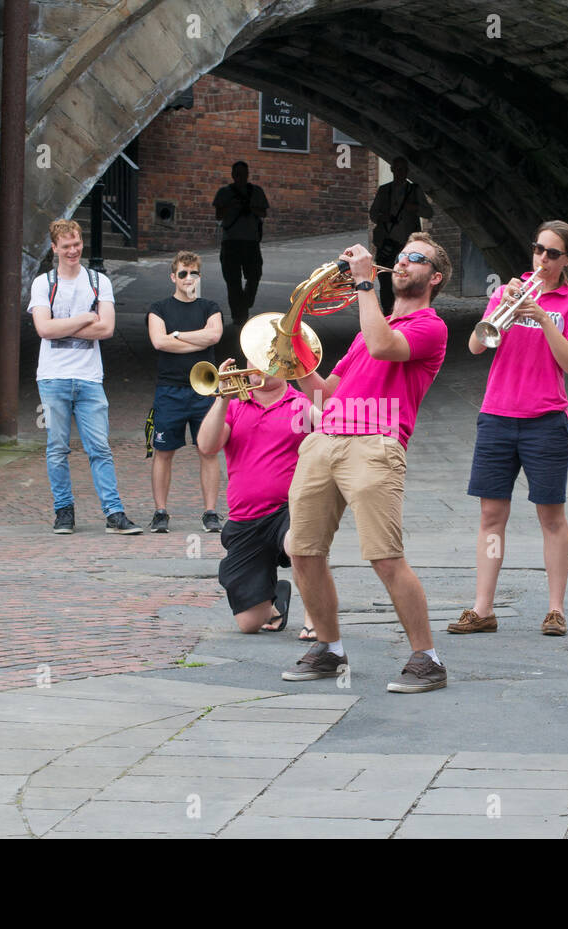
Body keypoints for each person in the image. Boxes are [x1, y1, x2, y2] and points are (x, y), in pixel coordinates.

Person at [281, 233, 450, 693]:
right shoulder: (366, 327)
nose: (402, 264)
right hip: (324, 440)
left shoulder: (429, 326)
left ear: (433, 278)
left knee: (385, 557)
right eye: (399, 258)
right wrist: (289, 356)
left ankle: (427, 658)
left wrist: (363, 285)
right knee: (301, 548)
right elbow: (326, 393)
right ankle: (329, 649)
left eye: (416, 259)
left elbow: (382, 347)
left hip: (375, 442)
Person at [449, 221, 568, 637]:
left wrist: (545, 318)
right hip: (497, 415)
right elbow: (477, 346)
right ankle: (483, 608)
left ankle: (555, 609)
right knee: (491, 515)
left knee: (551, 516)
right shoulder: (506, 292)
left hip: (545, 420)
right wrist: (500, 309)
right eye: (538, 249)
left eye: (552, 254)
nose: (542, 259)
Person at [29, 219, 141, 535]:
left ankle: (114, 512)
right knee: (57, 448)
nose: (73, 251)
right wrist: (82, 318)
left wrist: (62, 324)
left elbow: (106, 328)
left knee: (100, 448)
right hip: (52, 377)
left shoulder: (98, 281)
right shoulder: (43, 283)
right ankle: (64, 512)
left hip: (90, 377)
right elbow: (43, 329)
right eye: (66, 246)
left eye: (76, 244)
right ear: (55, 248)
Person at [196, 358, 312, 634]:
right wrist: (222, 396)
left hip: (288, 508)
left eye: (266, 360)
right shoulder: (234, 406)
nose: (256, 366)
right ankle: (274, 605)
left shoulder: (302, 404)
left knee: (301, 545)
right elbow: (207, 446)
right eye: (252, 359)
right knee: (249, 624)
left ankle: (315, 620)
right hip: (245, 517)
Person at [146, 251, 224, 534]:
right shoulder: (159, 308)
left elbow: (214, 336)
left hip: (204, 390)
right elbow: (158, 342)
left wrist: (177, 336)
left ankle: (211, 512)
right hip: (170, 390)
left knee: (208, 449)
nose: (188, 278)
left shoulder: (210, 306)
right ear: (173, 277)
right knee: (163, 451)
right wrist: (196, 340)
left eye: (193, 273)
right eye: (183, 273)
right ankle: (160, 511)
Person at [369, 157, 433, 312]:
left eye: (403, 170)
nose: (400, 173)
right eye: (397, 170)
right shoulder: (384, 190)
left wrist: (415, 208)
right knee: (385, 278)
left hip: (407, 245)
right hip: (387, 242)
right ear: (392, 170)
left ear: (407, 172)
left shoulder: (414, 190)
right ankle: (387, 311)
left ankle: (404, 310)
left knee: (406, 277)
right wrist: (383, 217)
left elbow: (429, 212)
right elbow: (373, 214)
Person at [212, 161, 269, 326]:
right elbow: (218, 215)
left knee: (255, 276)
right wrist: (232, 206)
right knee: (233, 280)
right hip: (231, 241)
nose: (240, 177)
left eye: (243, 174)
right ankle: (239, 314)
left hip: (251, 241)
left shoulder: (256, 191)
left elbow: (263, 212)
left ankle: (245, 303)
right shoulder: (225, 192)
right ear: (232, 175)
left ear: (247, 174)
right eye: (237, 174)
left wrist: (249, 207)